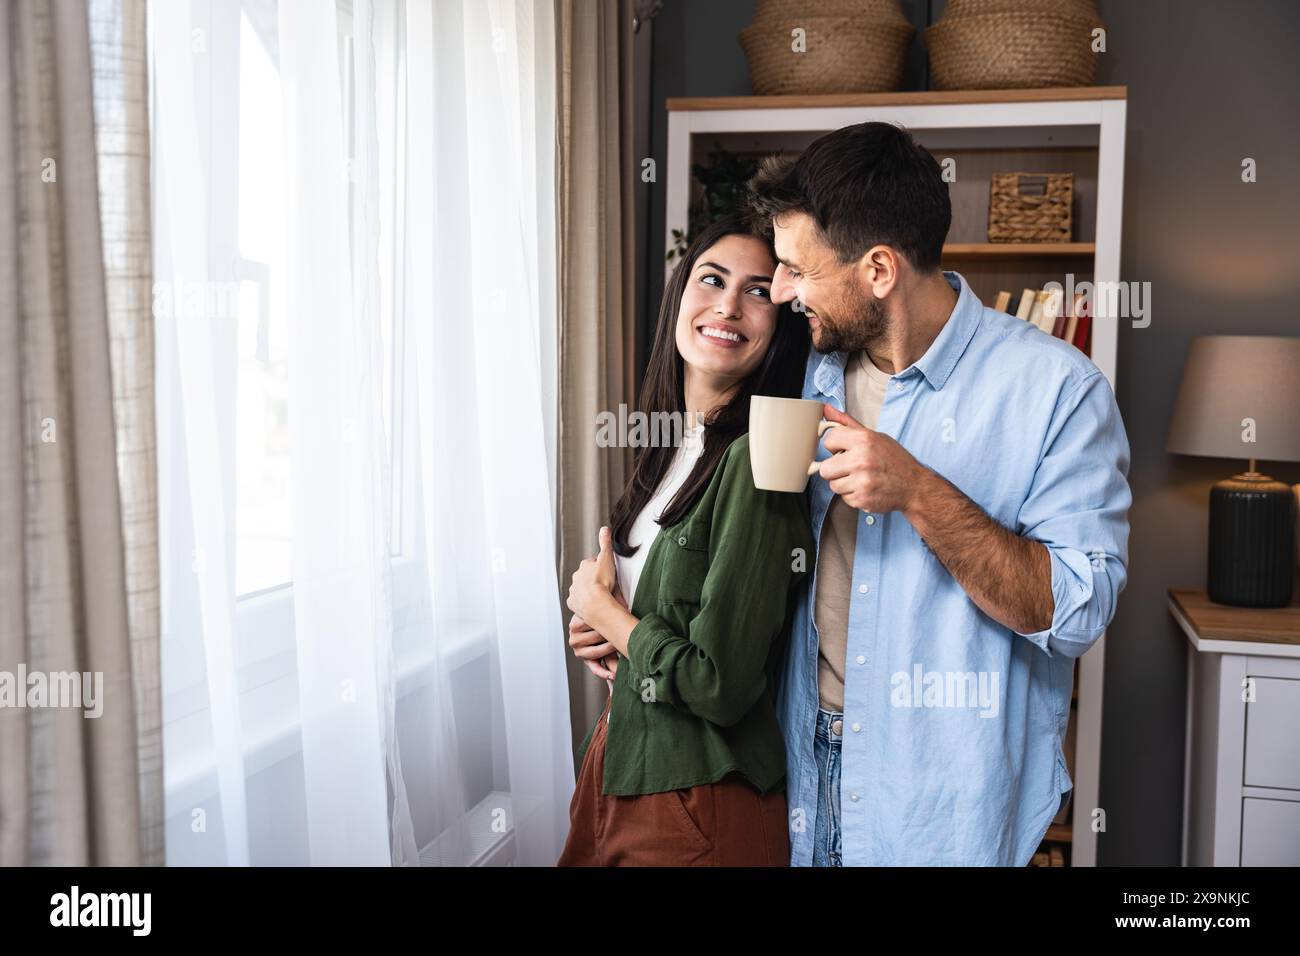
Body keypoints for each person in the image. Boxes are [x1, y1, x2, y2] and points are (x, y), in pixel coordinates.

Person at [747, 121, 1131, 866]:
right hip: (797, 765)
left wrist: (918, 491)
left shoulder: (1058, 390)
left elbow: (1074, 611)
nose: (783, 290)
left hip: (942, 805)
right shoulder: (808, 366)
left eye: (800, 268)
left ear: (880, 269)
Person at [557, 213, 813, 866]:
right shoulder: (664, 453)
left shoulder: (761, 457)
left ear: (778, 323)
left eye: (759, 291)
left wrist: (607, 615)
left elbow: (719, 683)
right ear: (680, 296)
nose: (728, 304)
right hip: (620, 767)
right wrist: (603, 629)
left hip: (699, 794)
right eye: (712, 279)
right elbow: (651, 628)